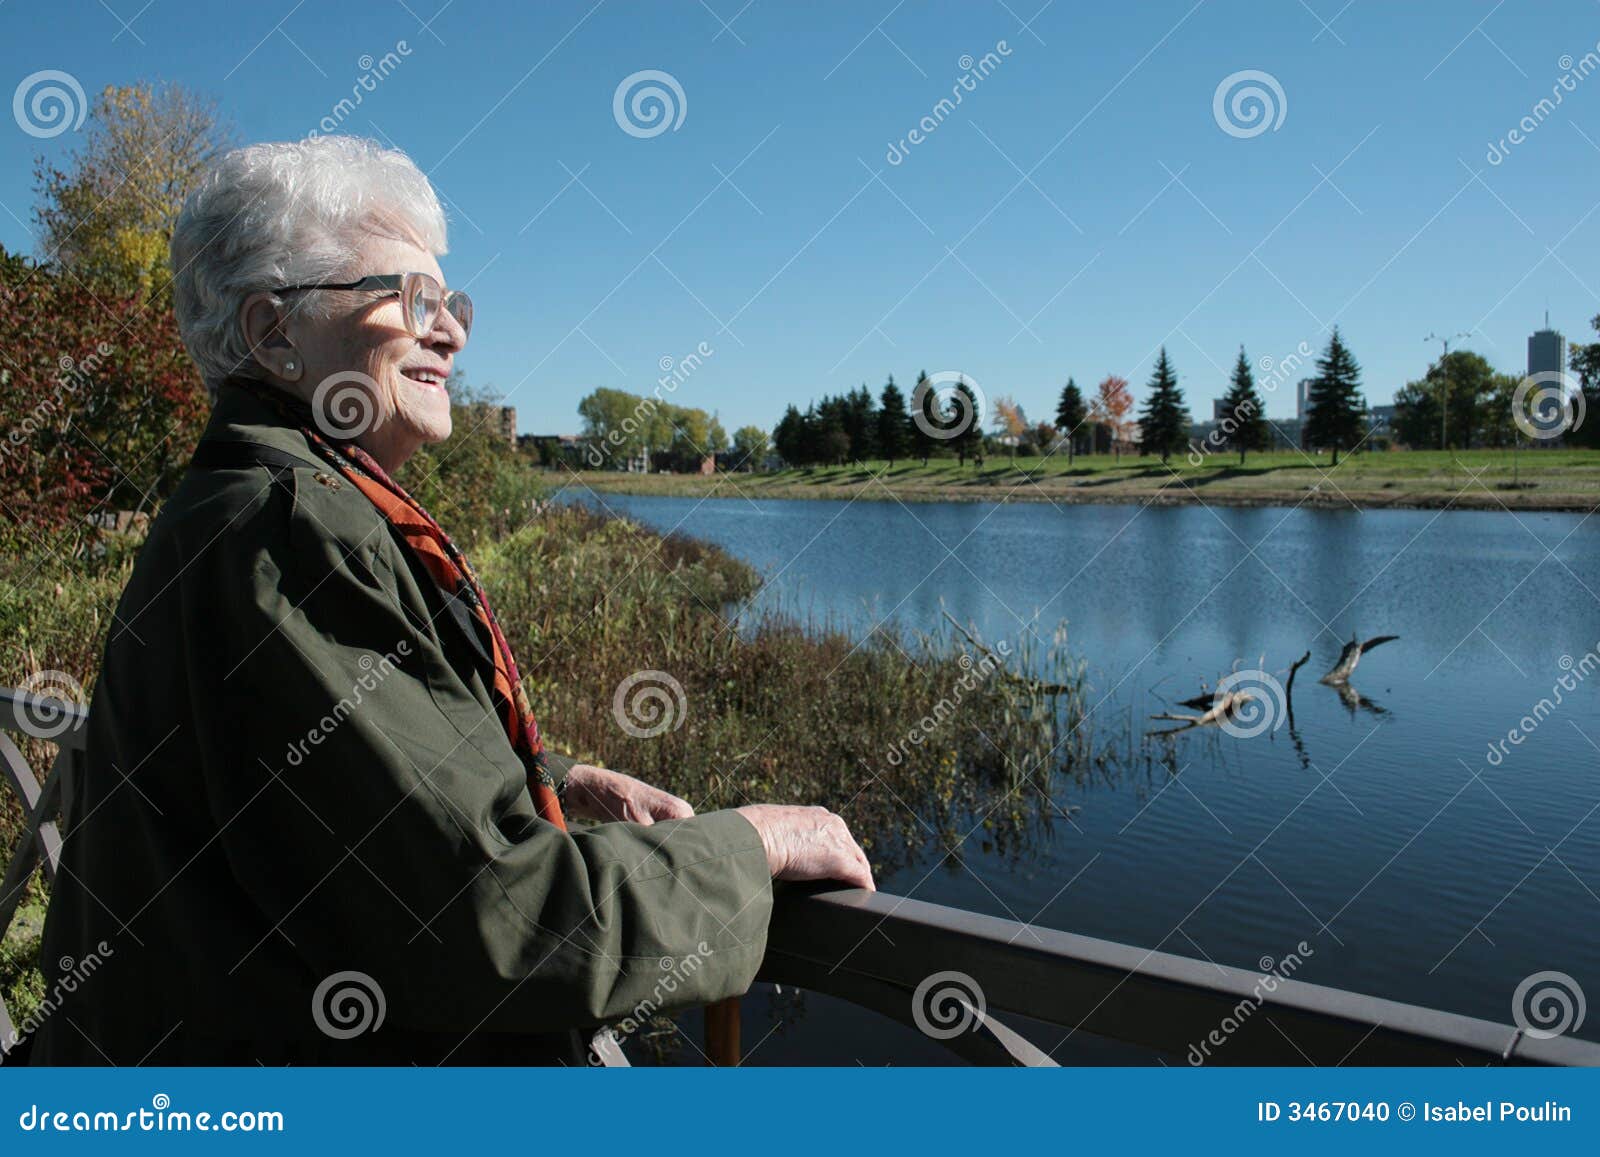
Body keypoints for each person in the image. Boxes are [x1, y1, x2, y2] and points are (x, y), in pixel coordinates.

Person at [27, 136, 873, 1066]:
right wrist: (752, 845)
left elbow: (322, 776)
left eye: (452, 303)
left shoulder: (246, 495)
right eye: (412, 299)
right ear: (275, 333)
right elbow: (496, 917)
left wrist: (551, 780)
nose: (454, 333)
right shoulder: (288, 526)